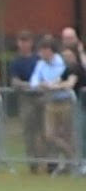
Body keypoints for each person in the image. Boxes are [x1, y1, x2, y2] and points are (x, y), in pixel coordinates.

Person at [30, 36, 75, 173]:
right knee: (49, 135)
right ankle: (71, 155)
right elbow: (33, 82)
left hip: (66, 102)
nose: (41, 54)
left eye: (43, 51)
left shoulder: (63, 63)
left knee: (67, 133)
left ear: (50, 51)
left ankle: (69, 165)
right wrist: (41, 84)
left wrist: (54, 85)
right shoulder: (40, 64)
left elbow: (67, 81)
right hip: (50, 103)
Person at [8, 31, 44, 173]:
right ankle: (32, 162)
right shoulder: (16, 61)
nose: (24, 44)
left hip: (41, 97)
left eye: (26, 41)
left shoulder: (38, 59)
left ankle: (46, 160)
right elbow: (14, 80)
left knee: (43, 131)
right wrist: (27, 85)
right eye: (21, 41)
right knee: (29, 131)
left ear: (31, 43)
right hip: (26, 98)